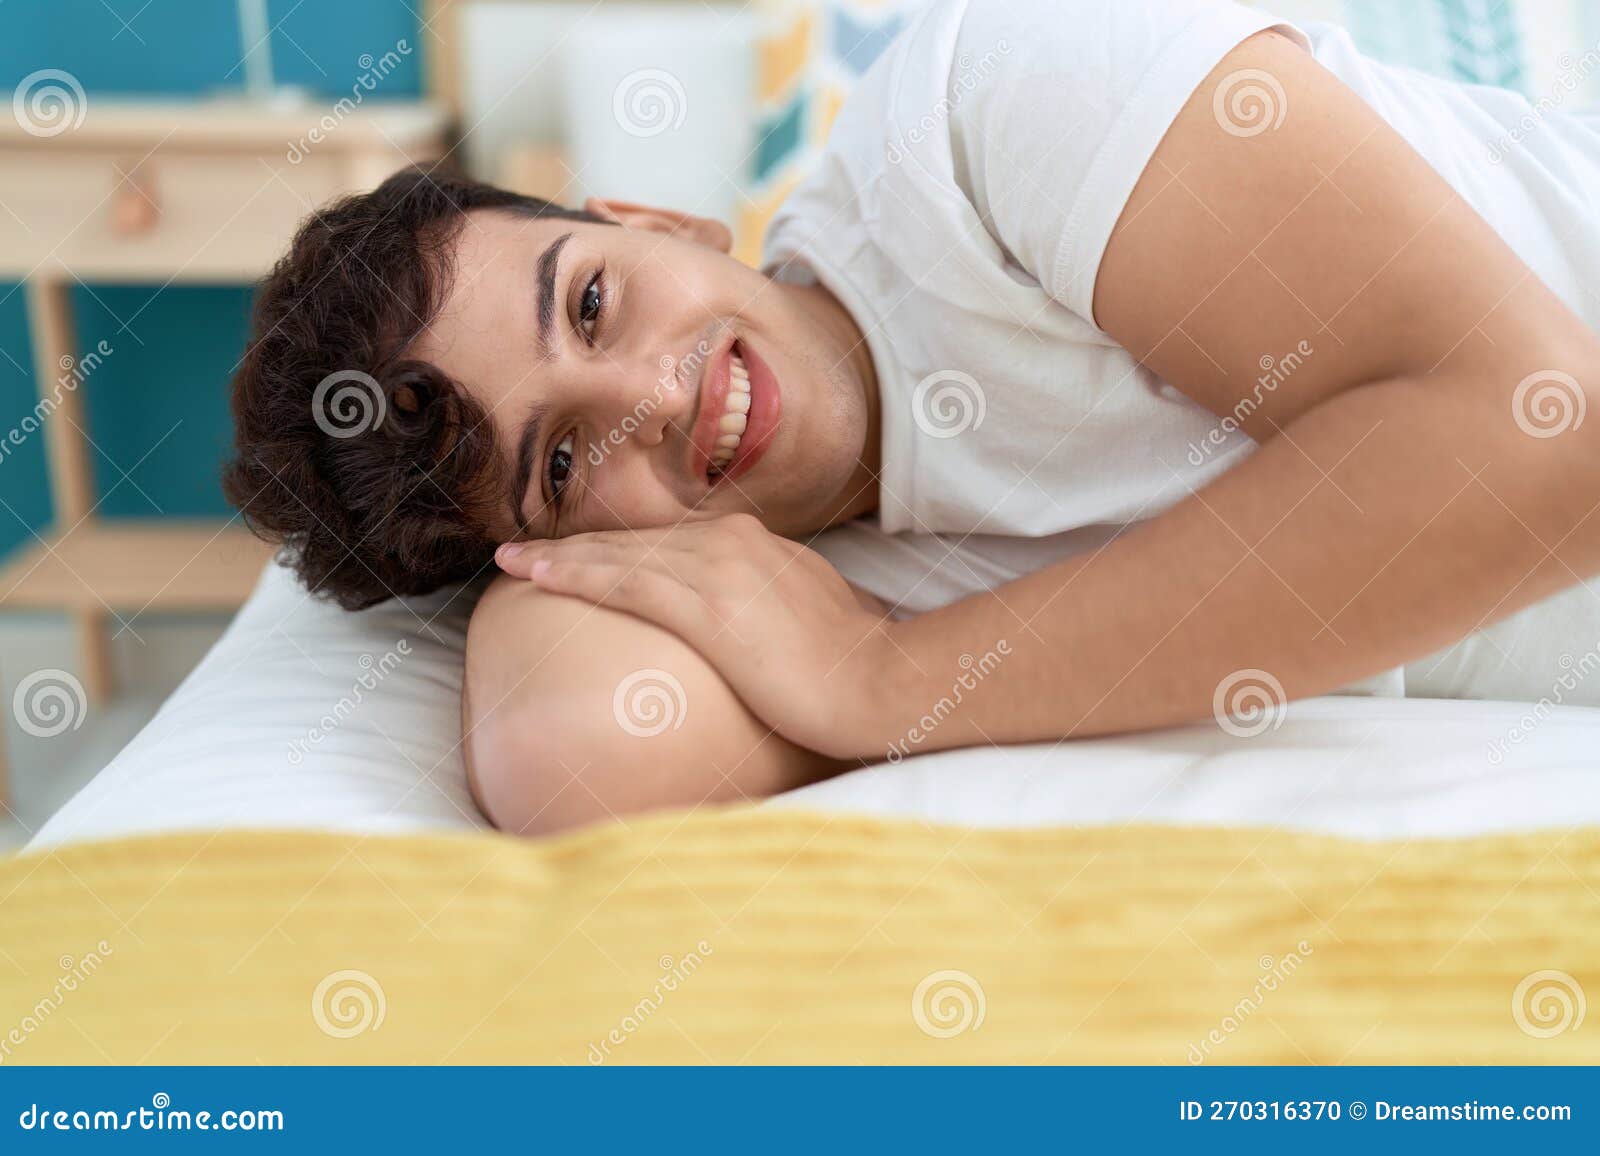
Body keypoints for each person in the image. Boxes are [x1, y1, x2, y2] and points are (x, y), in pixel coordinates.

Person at [225, 0, 1600, 835]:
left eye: (591, 305)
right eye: (565, 463)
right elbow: (576, 753)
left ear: (657, 217)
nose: (658, 395)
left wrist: (893, 679)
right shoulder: (794, 594)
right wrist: (520, 583)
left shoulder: (984, 107)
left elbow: (1553, 441)